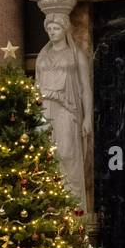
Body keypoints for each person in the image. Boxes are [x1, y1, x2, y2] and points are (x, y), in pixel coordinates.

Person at [34, 10, 93, 207]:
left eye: (56, 28)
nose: (52, 31)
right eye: (49, 28)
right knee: (46, 155)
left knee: (67, 153)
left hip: (67, 109)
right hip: (44, 109)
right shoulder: (42, 57)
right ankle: (50, 204)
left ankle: (73, 206)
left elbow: (85, 89)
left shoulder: (75, 56)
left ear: (64, 29)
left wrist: (88, 118)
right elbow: (36, 86)